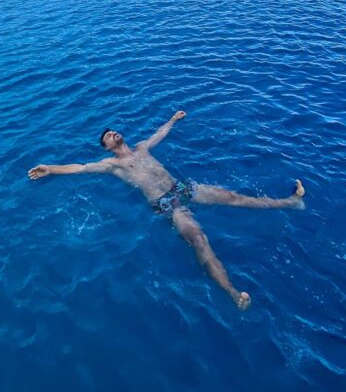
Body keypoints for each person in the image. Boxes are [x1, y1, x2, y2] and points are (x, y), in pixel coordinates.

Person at [28, 110, 305, 309]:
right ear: (107, 148)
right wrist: (50, 168)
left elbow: (159, 134)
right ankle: (233, 293)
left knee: (234, 197)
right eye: (107, 137)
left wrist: (172, 120)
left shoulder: (142, 148)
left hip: (182, 188)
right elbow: (80, 167)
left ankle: (290, 202)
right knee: (198, 238)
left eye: (112, 131)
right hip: (166, 204)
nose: (111, 133)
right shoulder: (112, 165)